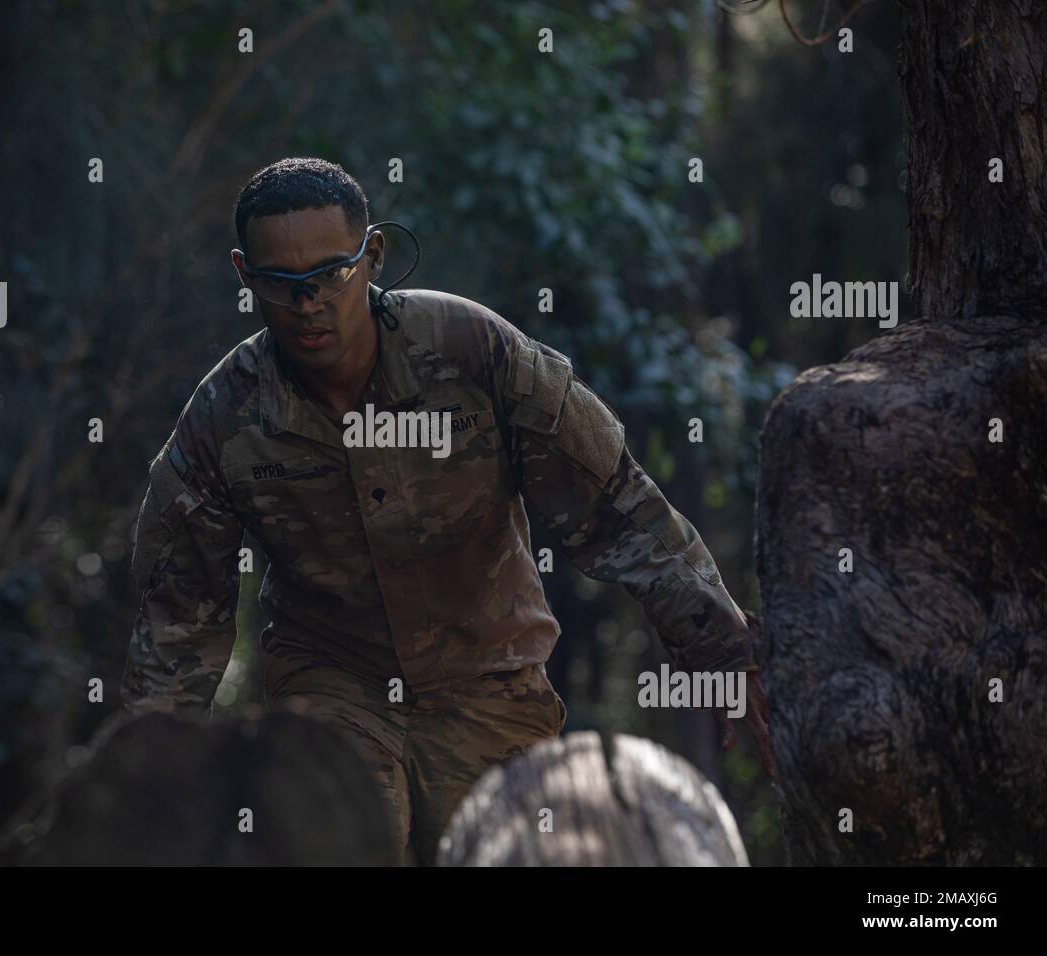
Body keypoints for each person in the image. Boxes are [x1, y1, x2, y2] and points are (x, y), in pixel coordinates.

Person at [120, 156, 773, 866]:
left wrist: (721, 652)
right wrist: (154, 786)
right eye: (282, 283)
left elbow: (618, 508)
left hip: (490, 683)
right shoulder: (224, 416)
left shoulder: (473, 352)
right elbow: (178, 620)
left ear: (373, 256)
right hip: (333, 688)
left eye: (331, 275)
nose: (308, 304)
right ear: (244, 275)